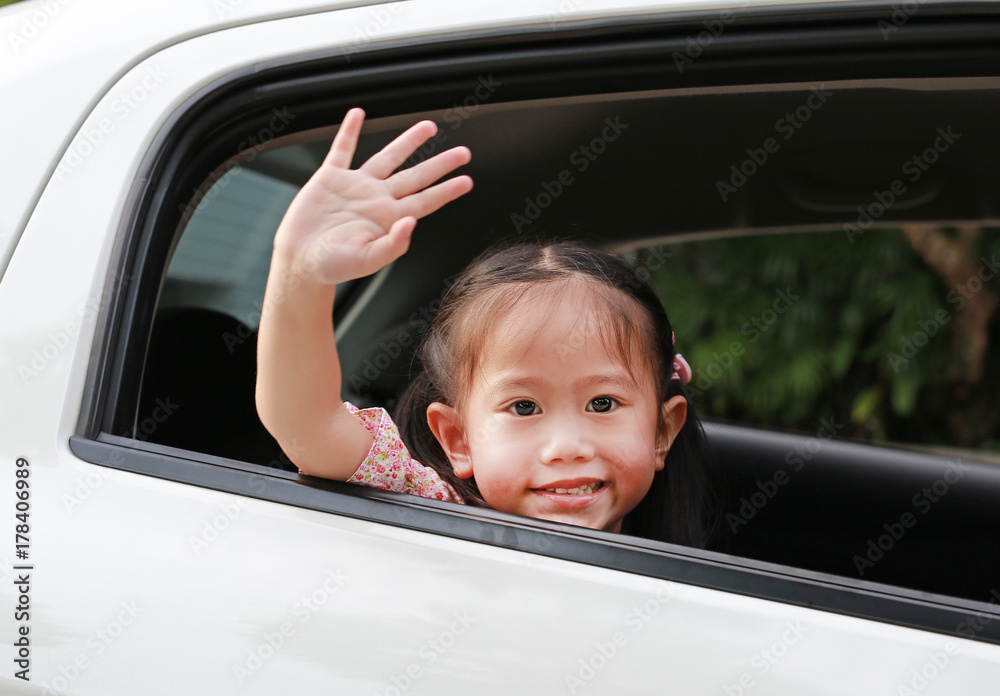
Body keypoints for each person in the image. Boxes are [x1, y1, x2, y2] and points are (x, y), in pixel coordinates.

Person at [256, 108, 715, 547]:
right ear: (458, 440)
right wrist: (300, 274)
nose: (566, 447)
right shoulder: (434, 512)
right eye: (522, 407)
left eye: (602, 402)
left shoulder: (684, 571)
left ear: (661, 431)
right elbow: (307, 425)